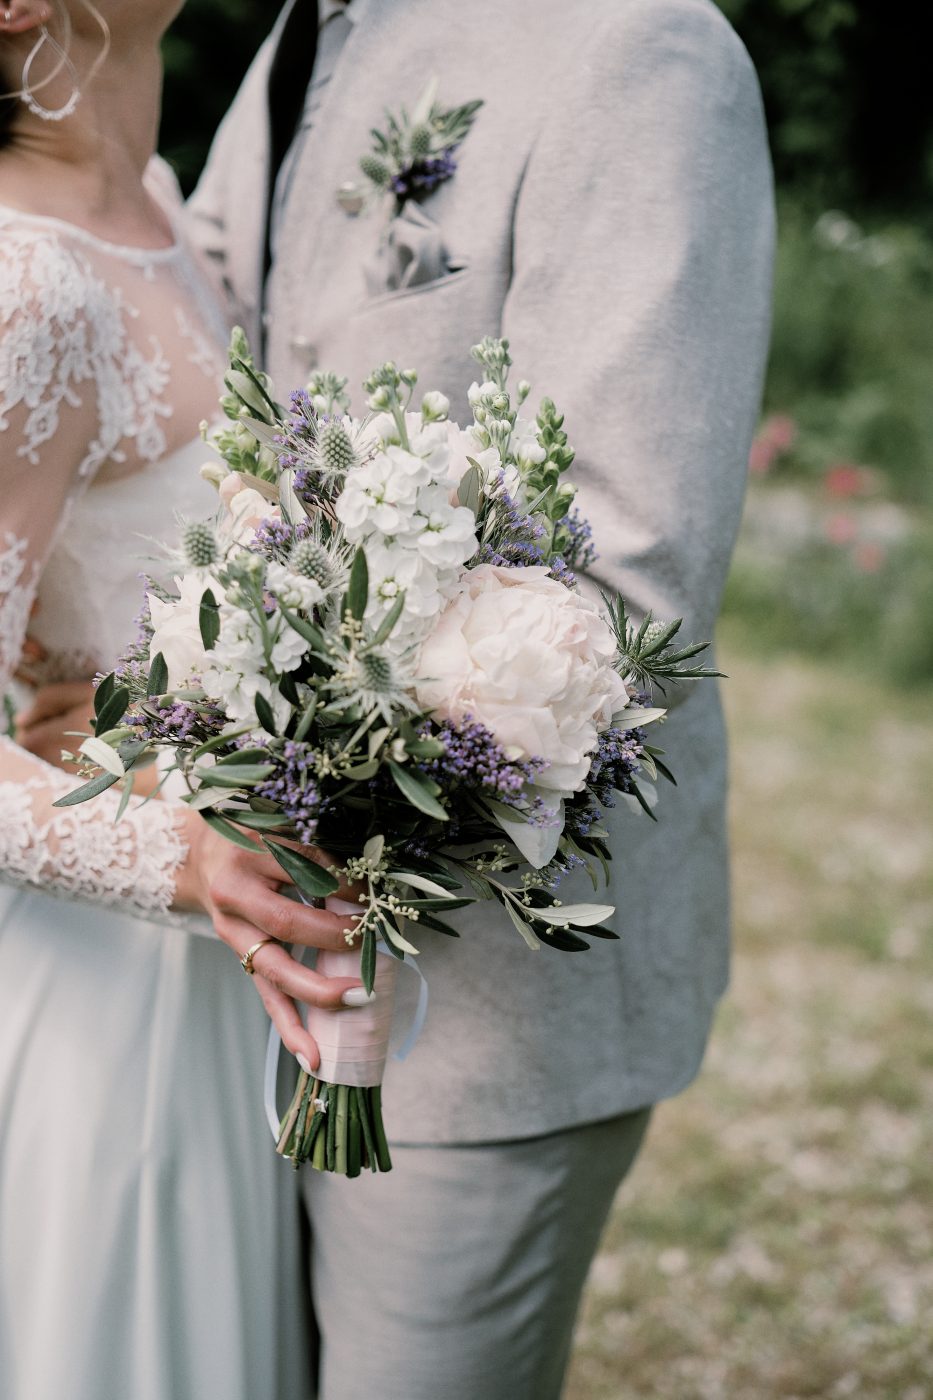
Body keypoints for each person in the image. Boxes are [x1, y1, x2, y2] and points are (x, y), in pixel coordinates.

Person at [188, 0, 776, 1396]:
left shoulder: (638, 45)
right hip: (234, 977)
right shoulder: (297, 39)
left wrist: (281, 762)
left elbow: (621, 576)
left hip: (489, 1006)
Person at [0, 4, 372, 1397]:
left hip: (228, 976)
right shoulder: (23, 283)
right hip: (115, 994)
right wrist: (191, 855)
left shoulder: (155, 195)